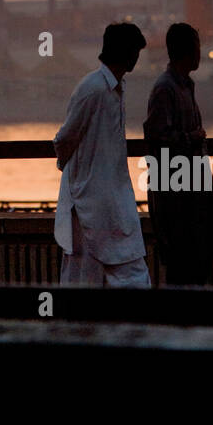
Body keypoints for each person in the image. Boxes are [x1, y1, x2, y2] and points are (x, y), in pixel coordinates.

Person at [53, 23, 151, 288]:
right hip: (91, 199)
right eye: (134, 51)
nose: (137, 58)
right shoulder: (92, 89)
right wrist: (78, 174)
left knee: (94, 268)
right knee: (104, 267)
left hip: (106, 197)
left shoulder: (114, 88)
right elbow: (64, 138)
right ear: (125, 52)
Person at [143, 23, 213, 285]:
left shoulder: (183, 86)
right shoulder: (166, 88)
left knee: (198, 263)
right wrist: (191, 137)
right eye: (197, 47)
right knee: (183, 267)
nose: (200, 52)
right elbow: (157, 137)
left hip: (192, 194)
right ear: (187, 50)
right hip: (177, 200)